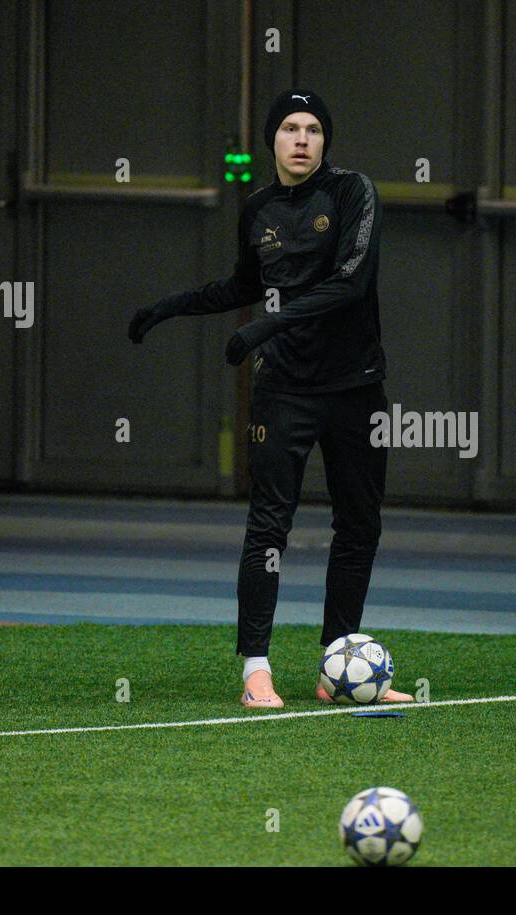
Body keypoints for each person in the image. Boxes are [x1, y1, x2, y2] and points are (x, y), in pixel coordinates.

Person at [128, 88, 412, 709]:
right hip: (282, 389)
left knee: (359, 525)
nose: (302, 138)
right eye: (290, 128)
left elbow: (349, 283)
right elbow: (243, 284)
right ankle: (256, 669)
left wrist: (262, 327)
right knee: (268, 527)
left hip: (356, 387)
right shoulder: (256, 208)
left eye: (313, 127)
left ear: (324, 139)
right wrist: (170, 308)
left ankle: (337, 665)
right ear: (273, 140)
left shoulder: (352, 193)